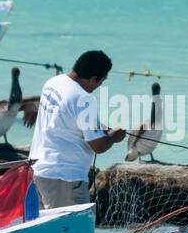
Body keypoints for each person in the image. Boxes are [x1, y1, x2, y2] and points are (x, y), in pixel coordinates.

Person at [28, 50, 126, 208]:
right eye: (99, 83)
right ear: (95, 78)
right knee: (69, 231)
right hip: (65, 177)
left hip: (37, 171)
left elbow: (66, 118)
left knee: (45, 230)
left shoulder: (53, 82)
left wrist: (100, 128)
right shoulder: (84, 98)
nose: (96, 88)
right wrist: (114, 137)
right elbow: (98, 146)